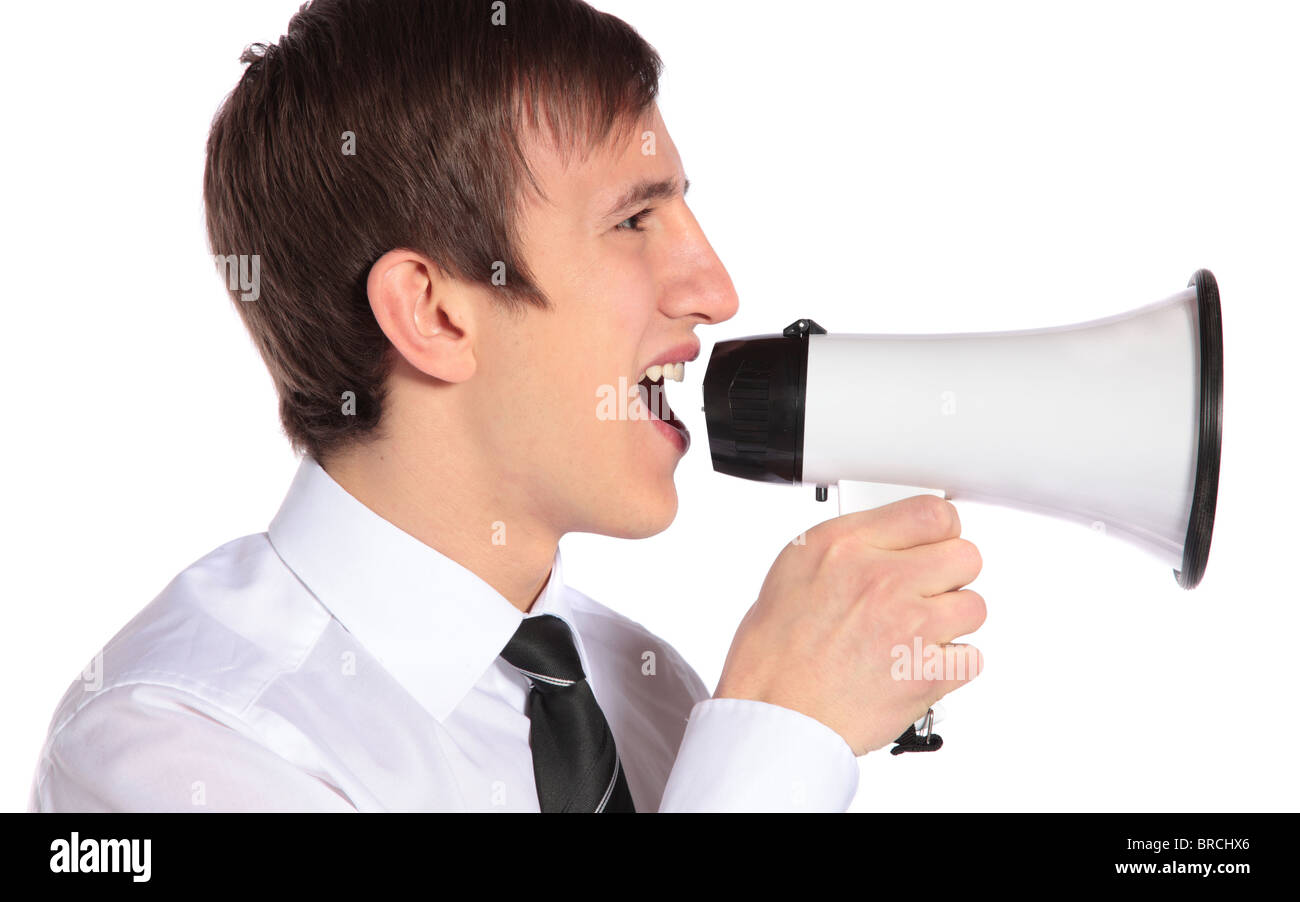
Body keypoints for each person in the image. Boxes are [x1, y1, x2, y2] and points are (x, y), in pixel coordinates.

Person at [28, 0, 986, 812]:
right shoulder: (170, 744)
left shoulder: (652, 697)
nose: (716, 290)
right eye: (634, 219)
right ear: (437, 313)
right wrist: (780, 742)